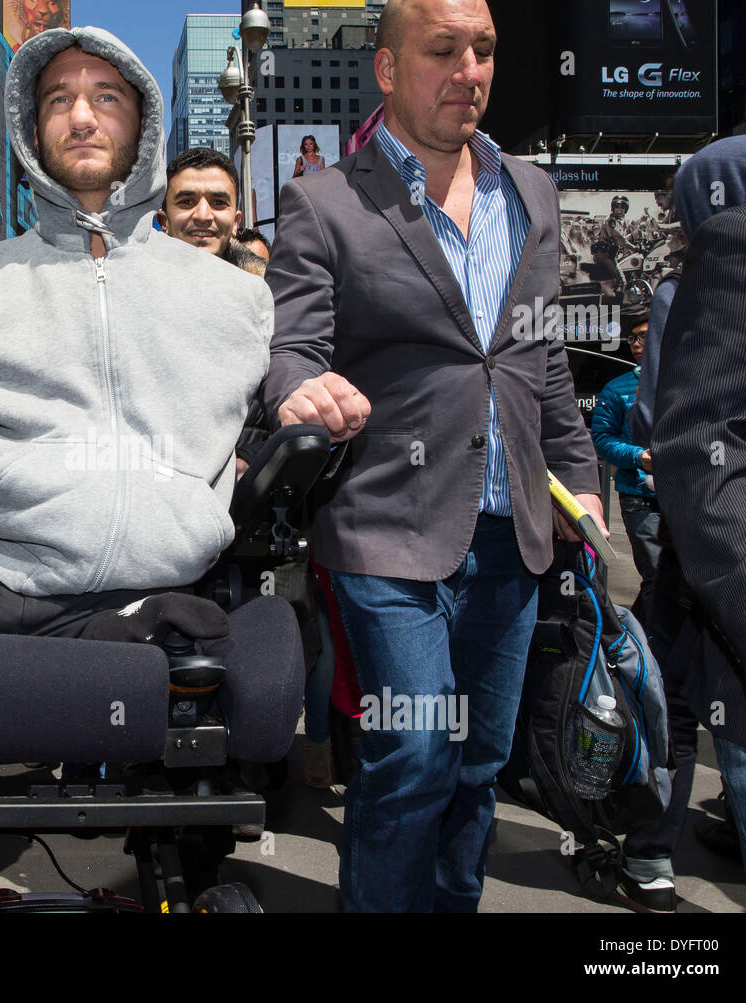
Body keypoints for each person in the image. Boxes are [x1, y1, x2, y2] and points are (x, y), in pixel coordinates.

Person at [262, 0, 603, 912]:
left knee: (481, 760)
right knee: (413, 750)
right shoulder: (325, 200)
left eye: (484, 50)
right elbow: (292, 344)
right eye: (442, 50)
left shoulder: (530, 191)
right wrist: (298, 388)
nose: (469, 70)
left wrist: (581, 487)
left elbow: (544, 360)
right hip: (389, 527)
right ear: (386, 69)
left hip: (515, 534)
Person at [0, 25, 270, 639]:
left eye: (106, 96)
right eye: (57, 99)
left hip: (173, 592)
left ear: (145, 124)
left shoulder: (236, 299)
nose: (80, 118)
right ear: (30, 127)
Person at [652, 134, 746, 913]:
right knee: (669, 713)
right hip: (741, 634)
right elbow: (705, 445)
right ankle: (647, 848)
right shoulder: (743, 246)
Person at [590, 309, 659, 625]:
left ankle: (635, 641)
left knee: (682, 581)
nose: (636, 343)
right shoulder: (617, 389)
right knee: (656, 574)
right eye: (633, 337)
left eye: (644, 336)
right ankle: (639, 650)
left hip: (689, 496)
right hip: (640, 498)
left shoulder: (688, 381)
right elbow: (601, 439)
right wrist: (638, 456)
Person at [157, 147, 241, 260]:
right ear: (163, 221)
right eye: (186, 202)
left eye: (218, 202)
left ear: (236, 222)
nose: (203, 216)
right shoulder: (131, 276)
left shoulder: (258, 277)